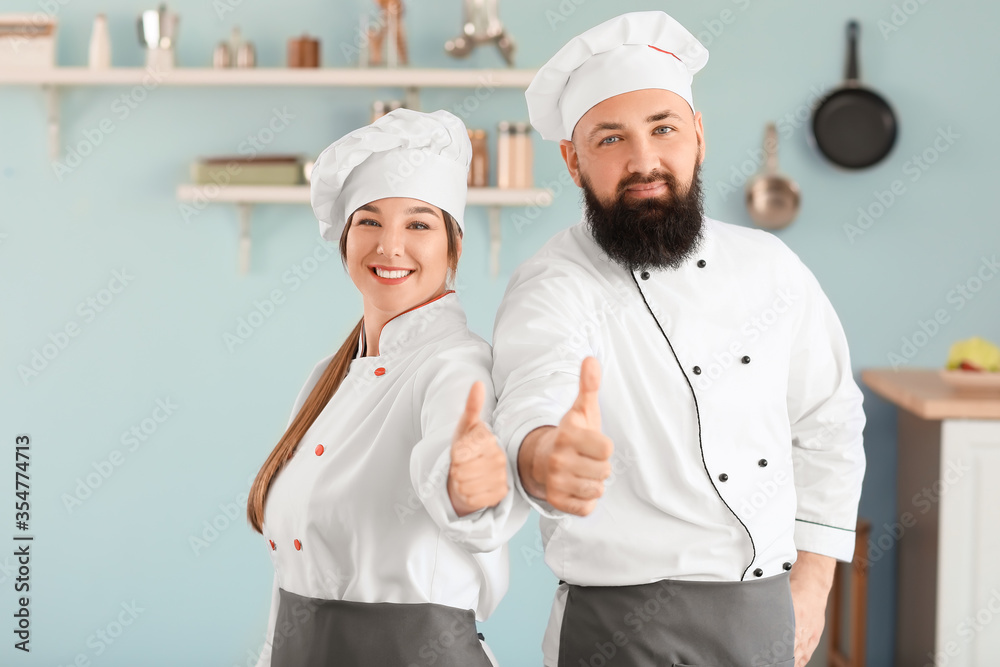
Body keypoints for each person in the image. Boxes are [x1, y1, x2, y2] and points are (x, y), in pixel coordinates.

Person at [491, 11, 866, 667]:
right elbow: (533, 397)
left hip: (764, 611)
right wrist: (545, 456)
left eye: (663, 128)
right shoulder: (554, 284)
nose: (644, 162)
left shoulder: (771, 267)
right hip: (620, 627)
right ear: (572, 161)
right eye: (610, 139)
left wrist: (813, 579)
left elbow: (828, 421)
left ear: (698, 133)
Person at [246, 108, 526, 666]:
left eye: (419, 224)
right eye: (369, 222)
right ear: (345, 238)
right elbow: (289, 591)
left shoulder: (456, 367)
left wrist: (471, 486)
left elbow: (469, 499)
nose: (389, 246)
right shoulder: (324, 379)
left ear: (454, 246)